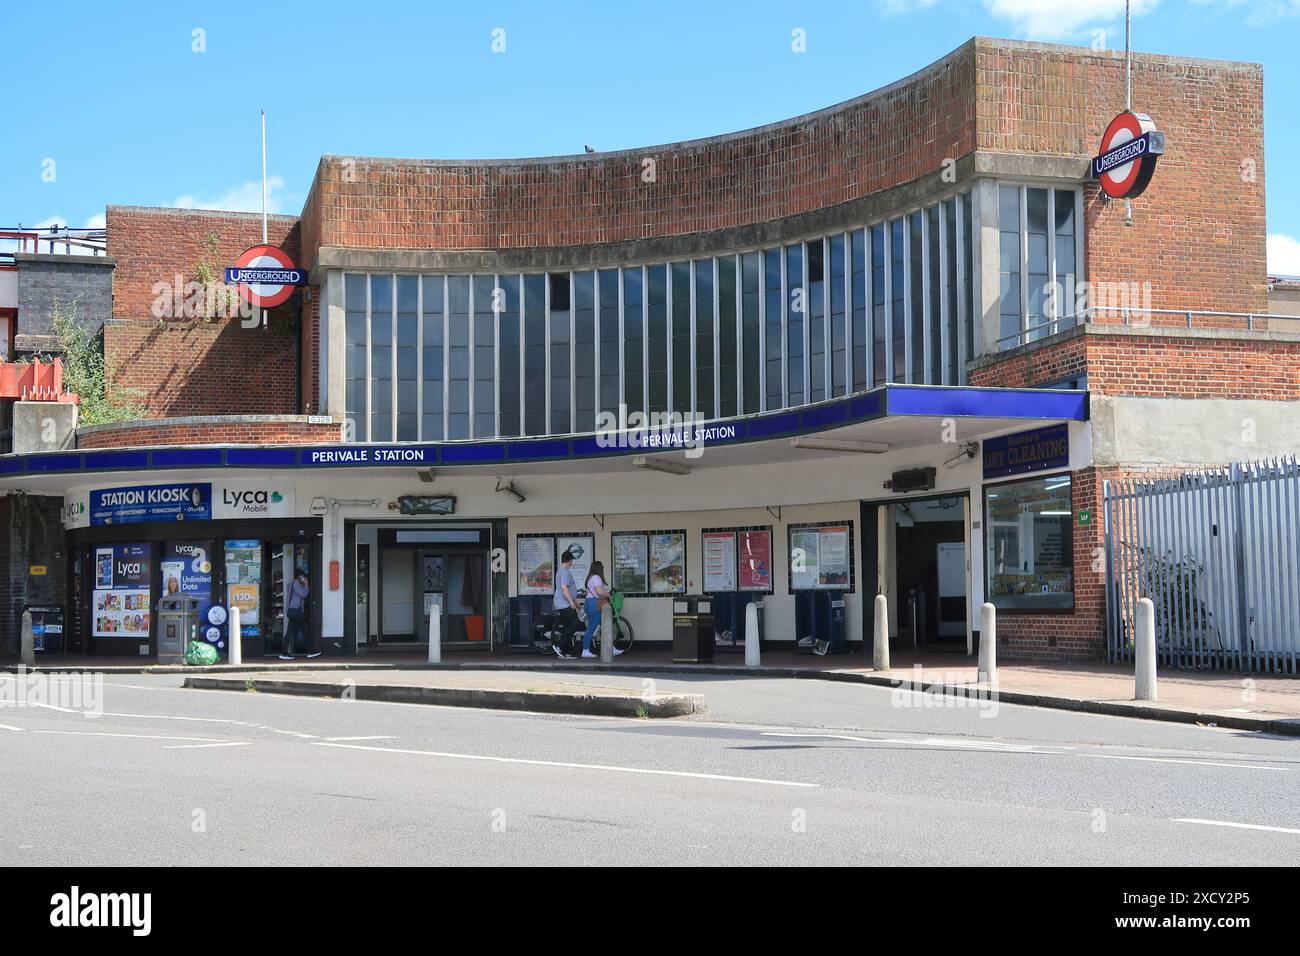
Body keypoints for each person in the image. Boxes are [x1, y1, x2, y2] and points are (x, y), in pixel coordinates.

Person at [282, 567, 318, 660]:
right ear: (299, 576)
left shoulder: (292, 583)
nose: (304, 578)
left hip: (293, 611)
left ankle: (284, 653)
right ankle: (311, 652)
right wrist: (306, 585)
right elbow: (303, 594)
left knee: (290, 633)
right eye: (303, 576)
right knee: (305, 630)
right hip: (295, 611)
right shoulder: (296, 583)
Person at [552, 550, 580, 658]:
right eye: (572, 561)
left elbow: (569, 591)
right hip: (563, 603)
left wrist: (577, 605)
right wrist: (571, 602)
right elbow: (564, 588)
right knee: (575, 622)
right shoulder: (564, 571)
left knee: (568, 625)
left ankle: (565, 652)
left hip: (564, 602)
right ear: (570, 560)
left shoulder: (561, 570)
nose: (572, 563)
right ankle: (559, 645)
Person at [581, 560, 610, 659]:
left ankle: (611, 648)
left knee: (602, 625)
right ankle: (585, 650)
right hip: (595, 603)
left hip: (589, 602)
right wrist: (608, 594)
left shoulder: (590, 578)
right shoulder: (596, 577)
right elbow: (600, 592)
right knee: (591, 628)